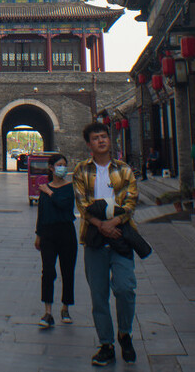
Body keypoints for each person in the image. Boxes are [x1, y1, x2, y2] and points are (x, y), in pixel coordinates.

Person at [74, 122, 139, 367]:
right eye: (96, 138)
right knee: (98, 295)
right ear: (89, 144)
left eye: (104, 136)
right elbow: (81, 203)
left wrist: (115, 222)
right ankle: (106, 344)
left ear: (109, 140)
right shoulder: (81, 171)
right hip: (95, 239)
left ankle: (125, 333)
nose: (101, 141)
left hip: (121, 236)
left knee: (125, 288)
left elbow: (131, 201)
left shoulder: (124, 170)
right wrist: (100, 225)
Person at [35, 153, 77, 328]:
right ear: (51, 168)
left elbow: (66, 206)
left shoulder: (69, 188)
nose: (63, 168)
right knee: (48, 272)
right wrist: (38, 234)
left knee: (67, 272)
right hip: (48, 234)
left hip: (66, 232)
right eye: (59, 165)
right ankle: (48, 312)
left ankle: (65, 308)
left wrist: (50, 192)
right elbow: (41, 212)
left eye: (64, 164)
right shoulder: (44, 189)